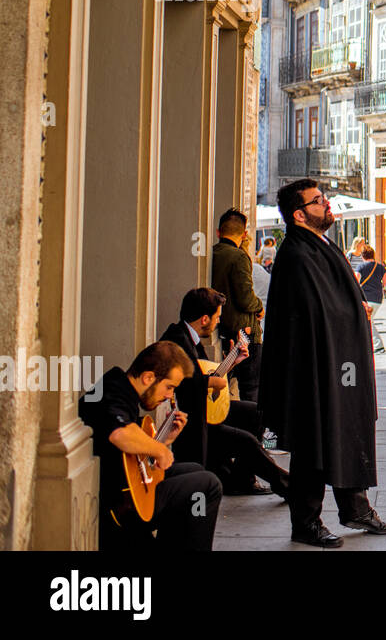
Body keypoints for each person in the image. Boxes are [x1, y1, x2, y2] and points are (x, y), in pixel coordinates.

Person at [260, 179, 386, 547]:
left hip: (341, 362)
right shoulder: (296, 254)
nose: (327, 204)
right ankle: (305, 523)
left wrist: (353, 308)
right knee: (314, 443)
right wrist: (349, 310)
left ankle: (356, 508)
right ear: (300, 214)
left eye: (324, 199)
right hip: (315, 370)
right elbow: (311, 314)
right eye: (318, 201)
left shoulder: (319, 245)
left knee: (349, 429)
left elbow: (333, 300)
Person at [78, 340, 223, 551]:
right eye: (169, 387)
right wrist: (160, 450)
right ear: (148, 377)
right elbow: (119, 434)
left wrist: (165, 440)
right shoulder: (112, 390)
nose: (169, 396)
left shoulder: (121, 390)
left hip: (125, 487)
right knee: (208, 485)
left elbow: (127, 454)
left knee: (194, 470)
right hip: (116, 505)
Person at [160, 287, 290, 498]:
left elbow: (206, 373)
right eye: (217, 317)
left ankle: (240, 479)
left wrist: (232, 361)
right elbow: (188, 383)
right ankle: (287, 485)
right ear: (204, 319)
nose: (218, 321)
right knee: (246, 442)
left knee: (257, 412)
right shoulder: (176, 340)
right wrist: (210, 381)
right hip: (194, 422)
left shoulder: (189, 338)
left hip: (205, 411)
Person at [210, 208, 264, 404]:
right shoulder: (239, 257)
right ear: (243, 234)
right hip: (245, 333)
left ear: (218, 232)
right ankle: (252, 432)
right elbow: (245, 298)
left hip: (222, 328)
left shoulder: (213, 253)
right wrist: (259, 307)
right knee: (252, 389)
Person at [357, 244, 386, 354]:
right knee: (368, 320)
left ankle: (378, 346)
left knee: (368, 321)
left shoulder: (361, 267)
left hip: (366, 298)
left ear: (362, 256)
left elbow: (356, 280)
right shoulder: (380, 267)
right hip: (378, 298)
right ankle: (369, 345)